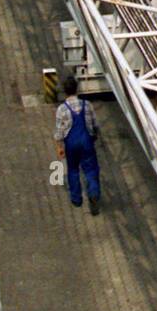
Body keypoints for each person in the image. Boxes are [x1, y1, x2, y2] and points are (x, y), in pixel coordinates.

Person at [54, 74, 101, 215]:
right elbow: (95, 125)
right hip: (86, 142)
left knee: (73, 170)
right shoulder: (87, 105)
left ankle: (76, 199)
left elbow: (59, 132)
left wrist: (60, 147)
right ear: (77, 89)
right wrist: (95, 137)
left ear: (65, 91)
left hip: (71, 144)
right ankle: (93, 193)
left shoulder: (62, 109)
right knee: (91, 170)